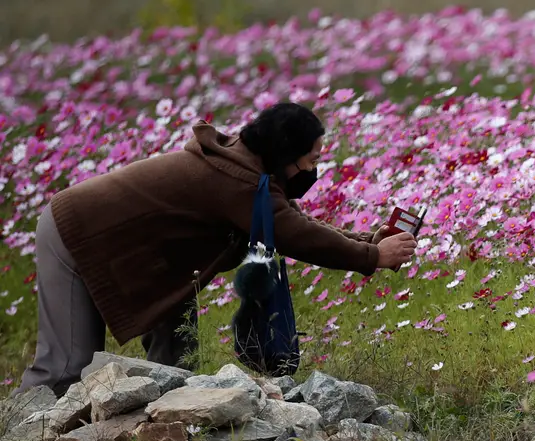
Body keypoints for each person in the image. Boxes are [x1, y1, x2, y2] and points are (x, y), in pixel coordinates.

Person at [14, 102, 418, 398]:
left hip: (152, 255)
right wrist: (371, 258)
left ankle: (160, 431)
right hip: (74, 230)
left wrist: (367, 241)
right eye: (310, 160)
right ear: (283, 153)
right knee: (66, 366)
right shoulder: (237, 182)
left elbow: (294, 219)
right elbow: (295, 233)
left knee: (173, 357)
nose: (313, 171)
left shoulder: (248, 170)